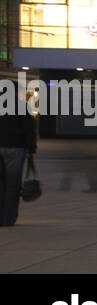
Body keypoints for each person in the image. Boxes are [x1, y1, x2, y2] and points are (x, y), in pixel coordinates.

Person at [0, 86, 38, 226]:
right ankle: (8, 218)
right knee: (12, 184)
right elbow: (29, 129)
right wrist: (31, 148)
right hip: (16, 148)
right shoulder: (21, 106)